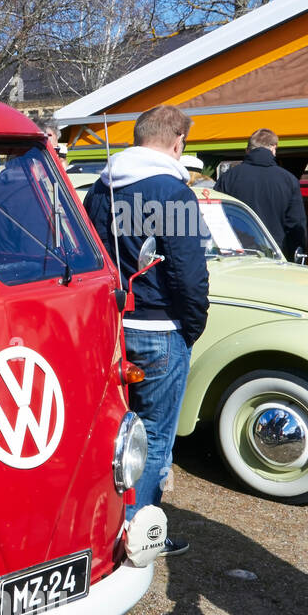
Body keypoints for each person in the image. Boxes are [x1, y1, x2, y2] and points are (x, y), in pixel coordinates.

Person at [83, 104, 210, 554]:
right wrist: (192, 326)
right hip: (159, 327)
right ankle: (138, 535)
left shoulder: (100, 190)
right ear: (178, 142)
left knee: (111, 431)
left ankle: (101, 526)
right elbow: (188, 274)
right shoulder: (174, 193)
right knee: (154, 436)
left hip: (111, 326)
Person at [215, 128, 307, 260]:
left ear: (248, 150)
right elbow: (296, 224)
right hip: (275, 253)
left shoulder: (228, 177)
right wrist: (296, 255)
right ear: (273, 148)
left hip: (236, 253)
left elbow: (218, 217)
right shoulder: (288, 180)